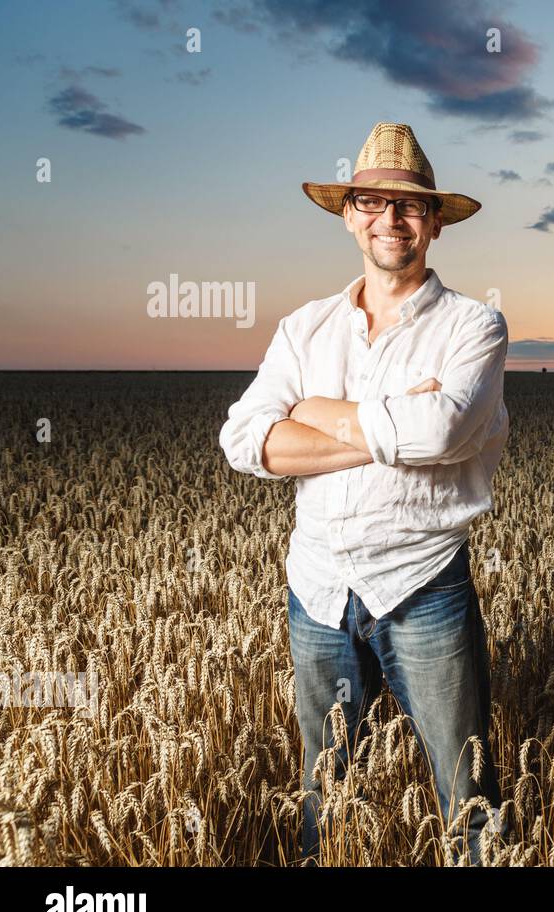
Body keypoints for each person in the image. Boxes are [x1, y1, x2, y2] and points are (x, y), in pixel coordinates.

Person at [218, 122, 509, 865]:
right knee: (326, 791)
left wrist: (311, 416)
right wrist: (389, 428)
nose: (391, 219)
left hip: (423, 586)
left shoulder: (474, 326)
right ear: (349, 215)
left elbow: (441, 432)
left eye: (410, 206)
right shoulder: (304, 327)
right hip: (316, 590)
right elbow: (245, 441)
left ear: (436, 223)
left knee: (467, 791)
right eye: (373, 203)